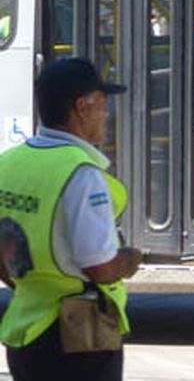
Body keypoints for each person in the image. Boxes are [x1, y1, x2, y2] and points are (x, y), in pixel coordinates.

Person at [0, 58, 143, 381]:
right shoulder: (81, 174)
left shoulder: (9, 163)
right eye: (102, 103)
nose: (106, 113)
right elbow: (100, 267)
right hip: (77, 337)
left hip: (24, 332)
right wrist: (129, 259)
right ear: (82, 106)